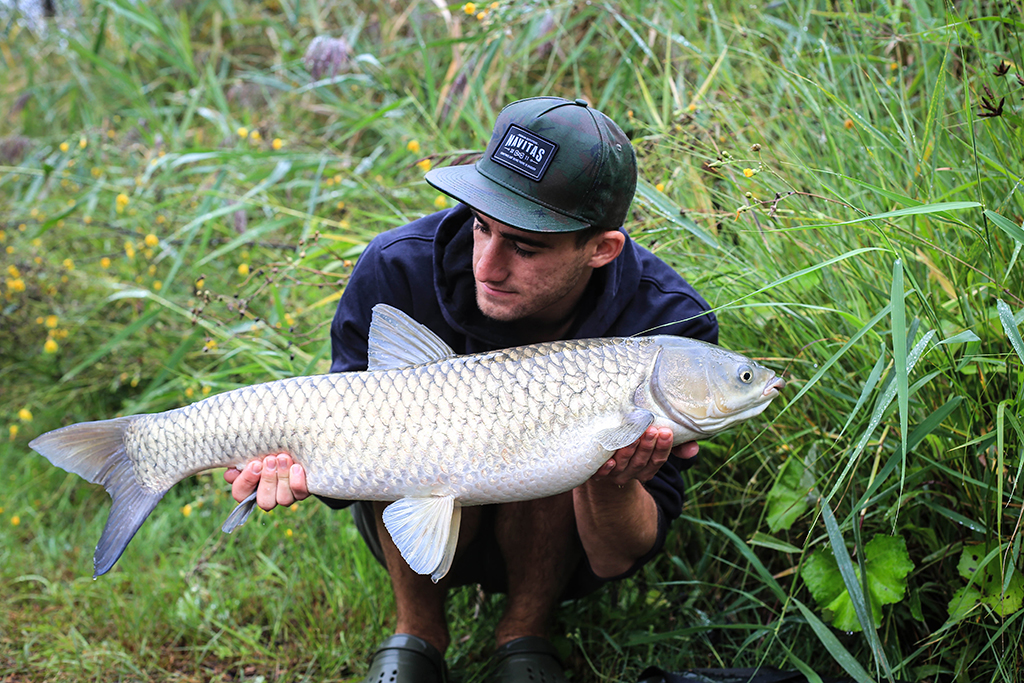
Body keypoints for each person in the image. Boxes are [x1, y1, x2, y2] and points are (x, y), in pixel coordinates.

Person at [224, 96, 718, 683]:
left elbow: (619, 552)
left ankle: (524, 635)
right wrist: (290, 467)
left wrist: (615, 475)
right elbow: (340, 426)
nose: (487, 264)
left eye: (525, 246)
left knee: (561, 430)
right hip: (407, 490)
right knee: (401, 424)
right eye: (482, 227)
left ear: (601, 249)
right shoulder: (396, 267)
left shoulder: (668, 325)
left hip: (566, 528)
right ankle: (417, 633)